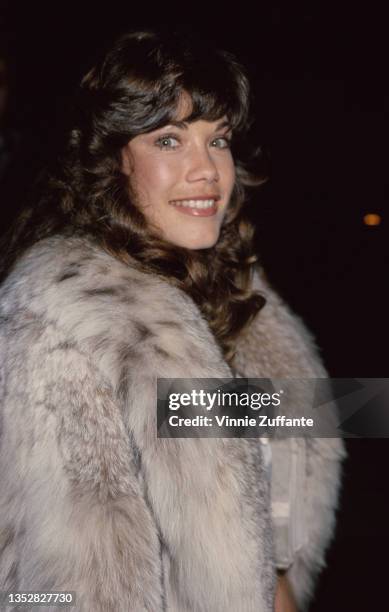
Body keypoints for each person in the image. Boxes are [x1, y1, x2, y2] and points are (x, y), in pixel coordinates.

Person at [0, 29, 345, 611]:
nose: (207, 169)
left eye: (219, 140)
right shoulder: (57, 332)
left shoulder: (224, 298)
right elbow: (48, 594)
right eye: (168, 140)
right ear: (111, 162)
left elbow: (236, 431)